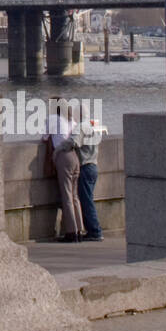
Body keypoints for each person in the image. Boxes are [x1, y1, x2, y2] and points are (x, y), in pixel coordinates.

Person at [46, 98, 84, 243]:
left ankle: (71, 232)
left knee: (67, 195)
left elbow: (44, 137)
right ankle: (80, 230)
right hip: (75, 157)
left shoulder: (53, 119)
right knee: (75, 196)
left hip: (63, 157)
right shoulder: (72, 120)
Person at [75, 114, 105, 242]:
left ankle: (95, 231)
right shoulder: (92, 127)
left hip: (85, 167)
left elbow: (74, 142)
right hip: (94, 166)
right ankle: (93, 230)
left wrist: (60, 149)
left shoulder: (81, 127)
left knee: (87, 201)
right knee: (89, 199)